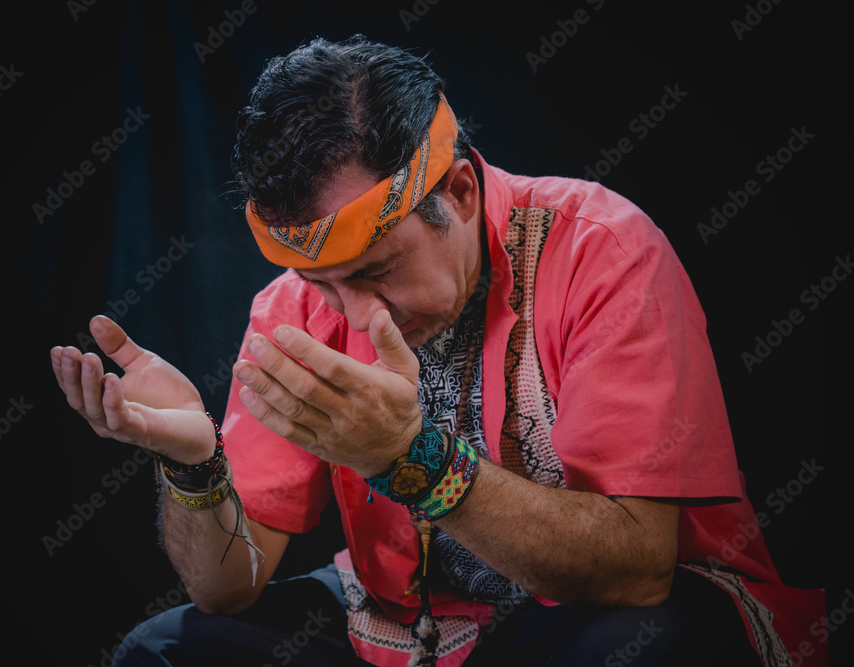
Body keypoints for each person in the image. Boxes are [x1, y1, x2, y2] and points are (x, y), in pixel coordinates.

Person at [50, 36, 825, 666]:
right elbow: (227, 589)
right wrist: (196, 468)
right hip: (411, 630)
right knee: (167, 651)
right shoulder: (292, 310)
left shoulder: (603, 248)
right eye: (320, 284)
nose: (352, 313)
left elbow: (638, 566)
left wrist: (406, 457)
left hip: (602, 615)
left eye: (376, 272)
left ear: (456, 193)